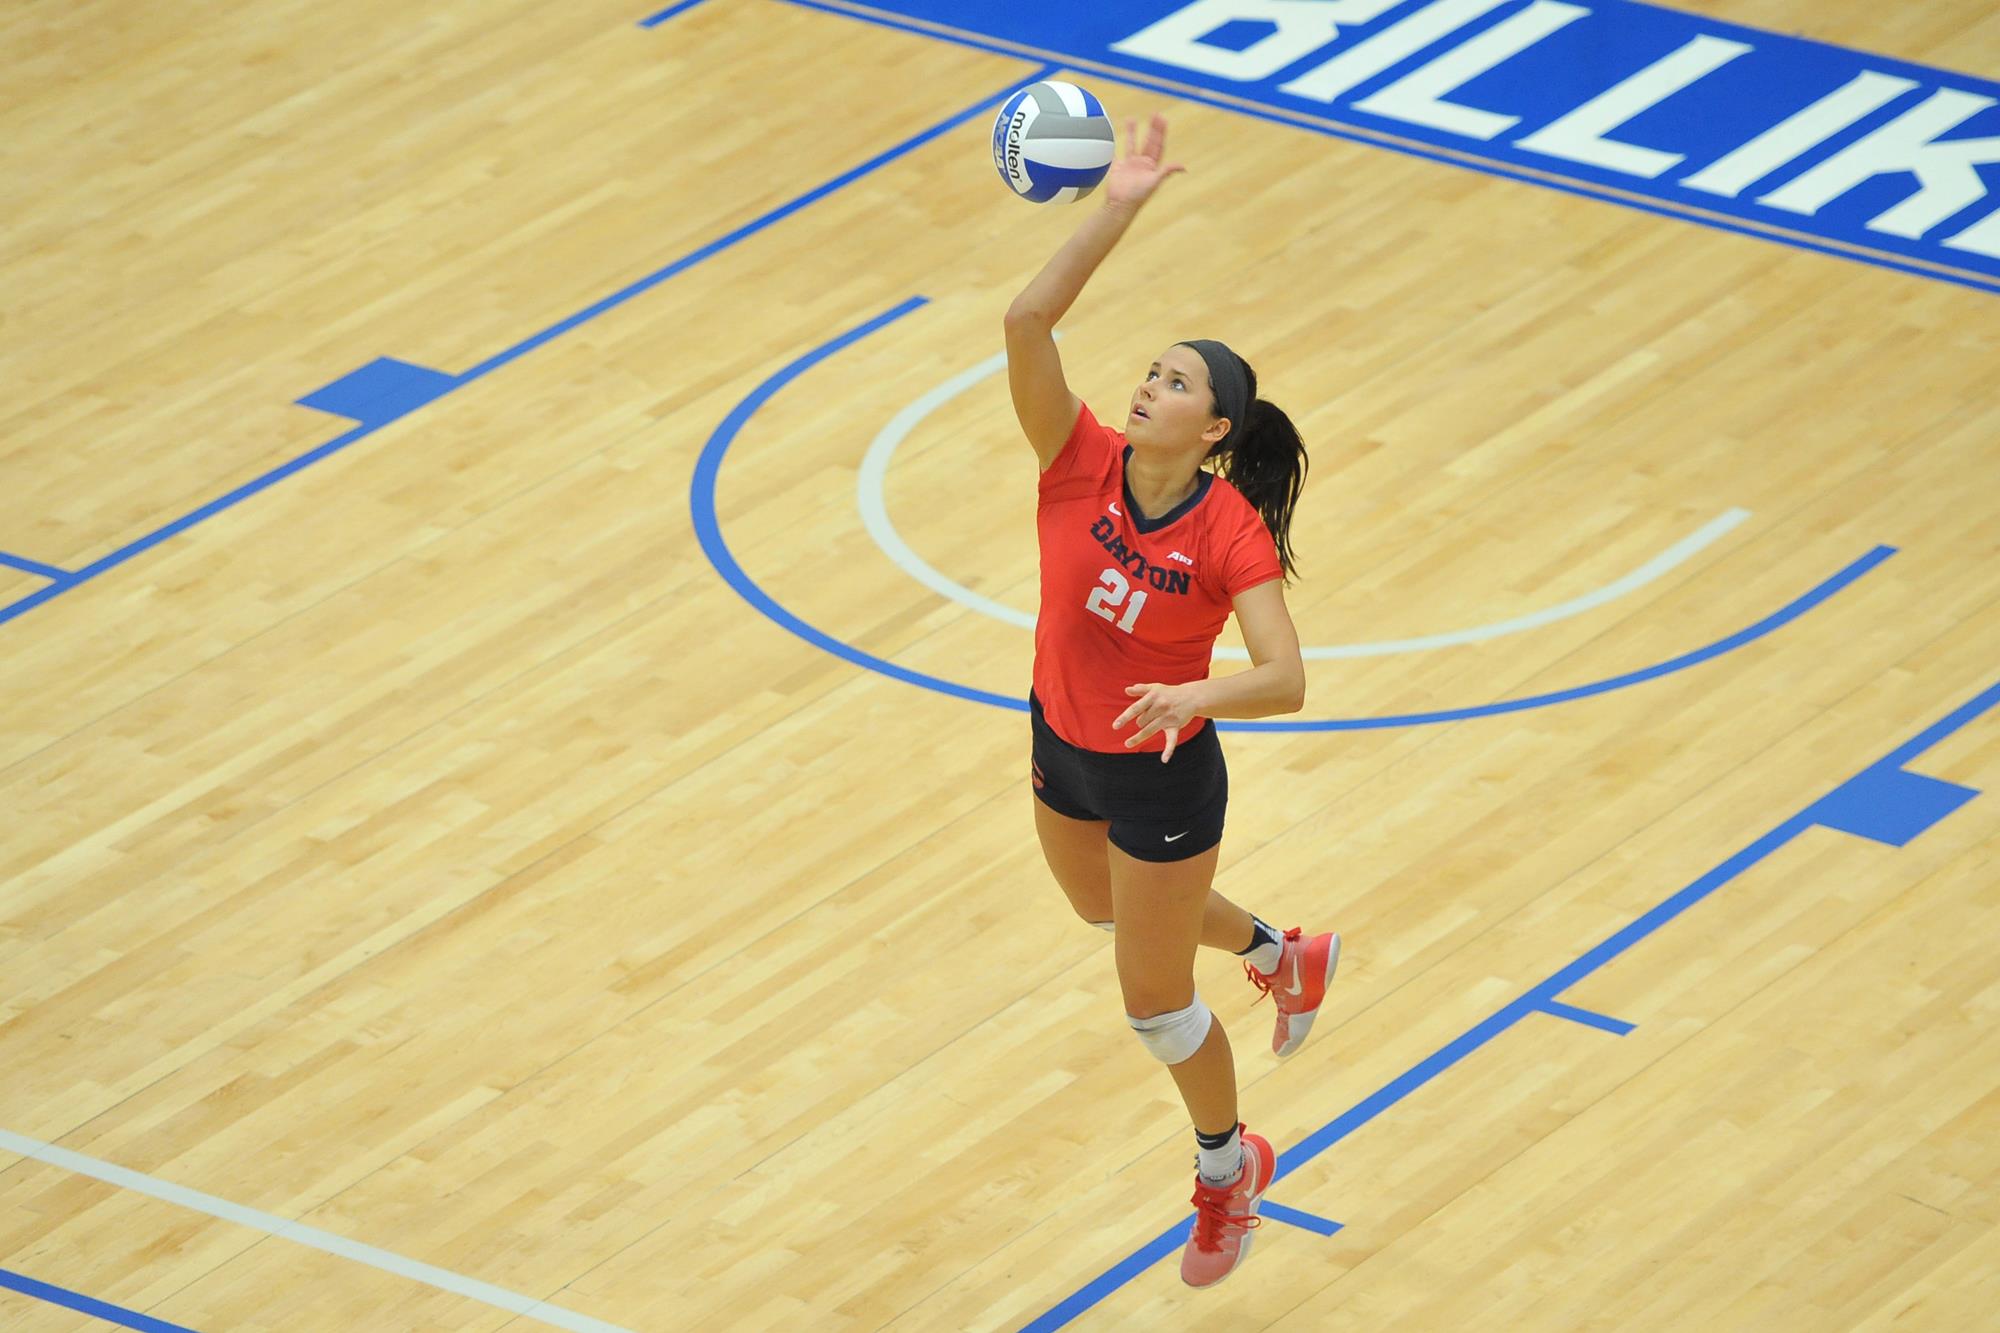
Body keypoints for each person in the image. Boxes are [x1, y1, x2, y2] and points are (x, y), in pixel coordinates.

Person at [1003, 112, 1341, 1289]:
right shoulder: (1072, 458)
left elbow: (1285, 677)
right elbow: (1024, 320)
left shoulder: (1227, 527)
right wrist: (1119, 204)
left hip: (1162, 777)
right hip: (1059, 740)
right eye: (1148, 370)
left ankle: (1225, 1166)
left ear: (1214, 430)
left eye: (1176, 382)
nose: (1148, 386)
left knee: (1151, 1003)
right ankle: (1276, 950)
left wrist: (1192, 691)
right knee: (1100, 913)